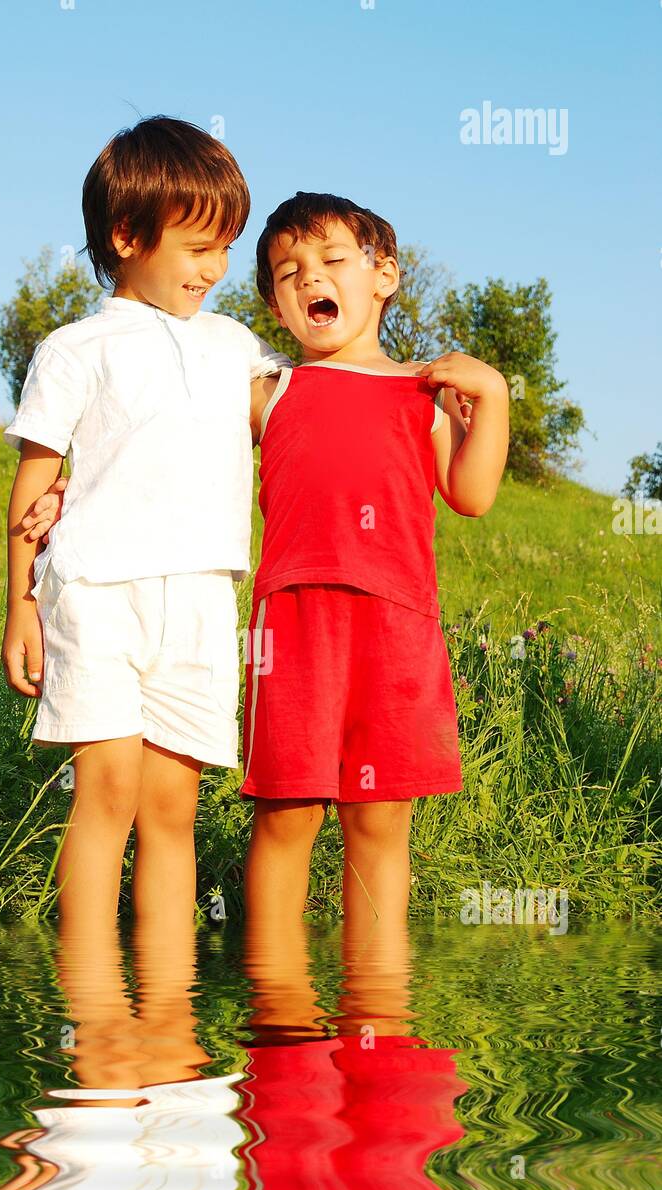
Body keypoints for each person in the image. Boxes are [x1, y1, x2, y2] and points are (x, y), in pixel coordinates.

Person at [1, 116, 291, 927]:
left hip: (200, 597)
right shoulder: (75, 347)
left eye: (227, 246)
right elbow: (34, 485)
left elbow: (302, 413)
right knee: (109, 794)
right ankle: (92, 1011)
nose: (219, 268)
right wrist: (19, 608)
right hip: (96, 591)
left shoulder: (236, 345)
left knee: (173, 808)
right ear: (128, 235)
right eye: (200, 247)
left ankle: (167, 1020)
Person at [241, 192, 509, 926]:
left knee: (381, 821)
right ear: (275, 304)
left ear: (384, 275)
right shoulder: (268, 392)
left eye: (331, 260)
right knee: (288, 813)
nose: (308, 278)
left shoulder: (427, 395)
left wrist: (494, 393)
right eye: (287, 272)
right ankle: (278, 1014)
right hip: (293, 622)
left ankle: (379, 1018)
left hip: (397, 626)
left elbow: (472, 494)